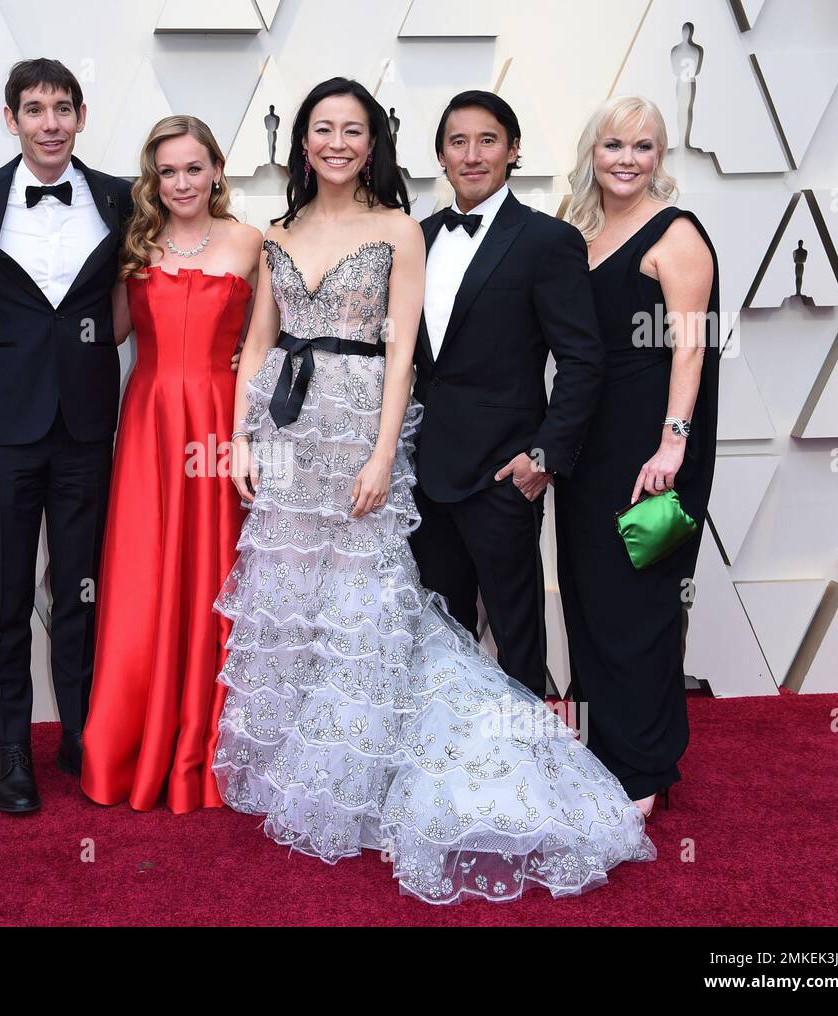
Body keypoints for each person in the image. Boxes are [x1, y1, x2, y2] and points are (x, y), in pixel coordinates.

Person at [214, 77, 654, 904]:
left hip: (413, 450)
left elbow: (409, 353)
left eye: (353, 129)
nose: (337, 142)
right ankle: (330, 770)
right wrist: (239, 437)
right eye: (322, 129)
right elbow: (258, 341)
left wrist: (394, 455)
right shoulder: (286, 230)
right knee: (319, 606)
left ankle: (527, 771)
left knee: (431, 620)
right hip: (295, 437)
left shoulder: (413, 232)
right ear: (303, 142)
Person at [0, 59, 132, 813]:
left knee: (82, 590)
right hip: (5, 428)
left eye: (62, 108)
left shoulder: (122, 197)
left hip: (88, 424)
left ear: (81, 116)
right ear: (10, 118)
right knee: (7, 594)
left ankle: (82, 735)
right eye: (34, 109)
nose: (50, 122)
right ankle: (13, 750)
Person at [81, 116, 262, 813]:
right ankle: (137, 741)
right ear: (153, 180)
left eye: (194, 167)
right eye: (168, 171)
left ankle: (211, 746)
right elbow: (107, 333)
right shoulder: (136, 245)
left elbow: (269, 341)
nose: (182, 182)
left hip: (219, 428)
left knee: (214, 570)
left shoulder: (253, 243)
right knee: (146, 575)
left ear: (217, 169)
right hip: (152, 423)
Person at [410, 90, 605, 699]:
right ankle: (444, 767)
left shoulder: (548, 241)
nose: (472, 155)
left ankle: (524, 775)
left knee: (518, 639)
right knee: (439, 633)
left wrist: (544, 456)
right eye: (457, 142)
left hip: (504, 471)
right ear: (440, 156)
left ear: (513, 150)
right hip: (425, 469)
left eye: (487, 140)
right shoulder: (418, 237)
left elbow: (582, 359)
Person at [557, 96, 719, 818]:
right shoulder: (578, 224)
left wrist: (672, 444)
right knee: (590, 596)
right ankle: (604, 753)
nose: (627, 159)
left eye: (643, 147)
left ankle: (645, 770)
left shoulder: (676, 234)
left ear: (661, 156)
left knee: (642, 603)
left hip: (652, 448)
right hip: (589, 441)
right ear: (594, 151)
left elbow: (691, 345)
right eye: (614, 144)